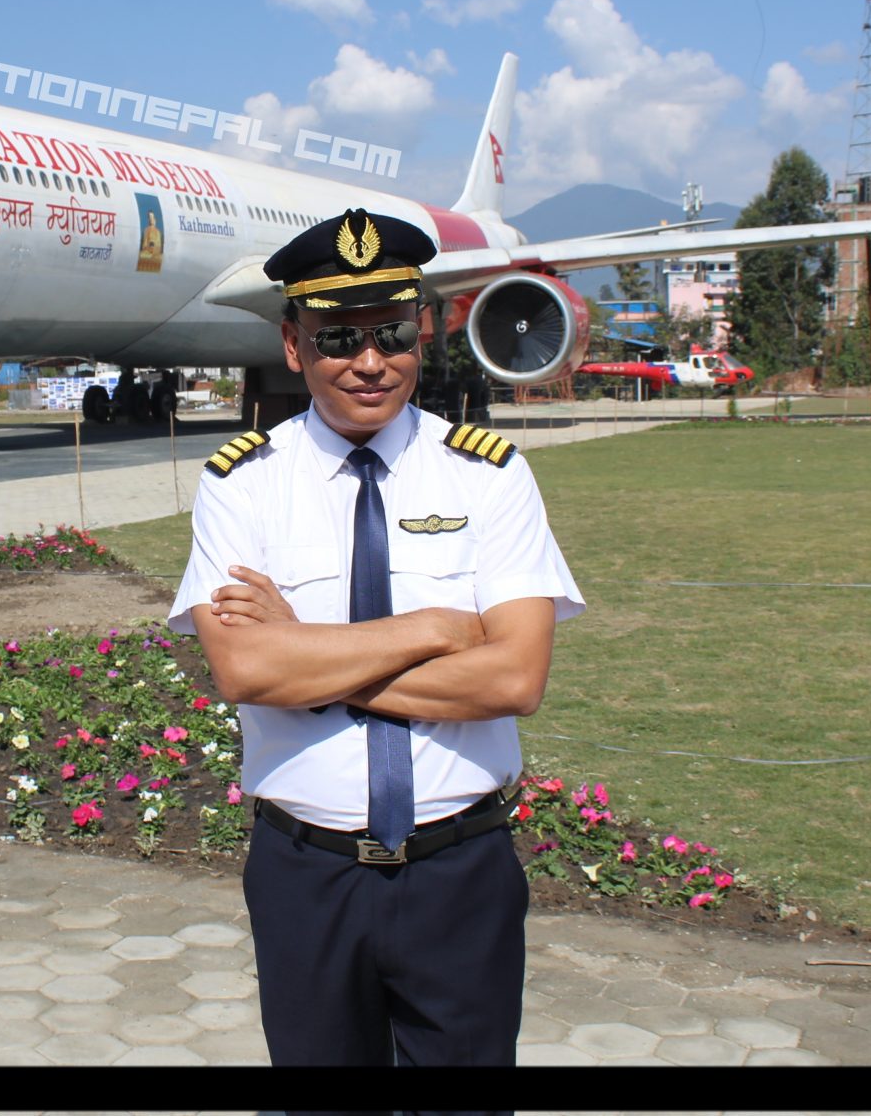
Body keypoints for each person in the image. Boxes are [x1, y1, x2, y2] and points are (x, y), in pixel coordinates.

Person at [169, 207, 584, 1085]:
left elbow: (515, 675)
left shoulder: (489, 474)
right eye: (337, 338)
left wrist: (308, 659)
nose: (369, 361)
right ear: (293, 344)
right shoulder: (243, 486)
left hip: (458, 872)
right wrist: (433, 631)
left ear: (422, 332)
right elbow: (245, 668)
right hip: (305, 877)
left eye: (391, 332)